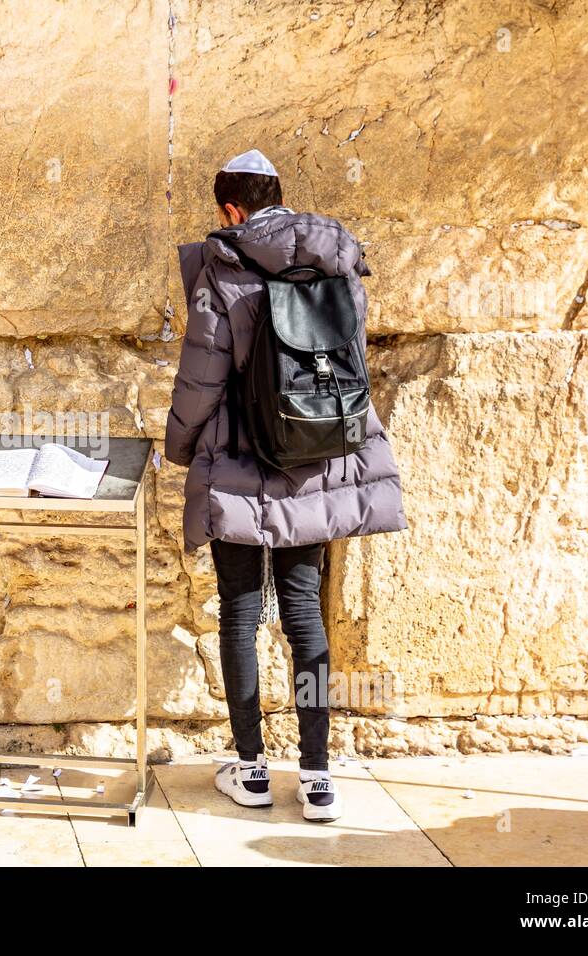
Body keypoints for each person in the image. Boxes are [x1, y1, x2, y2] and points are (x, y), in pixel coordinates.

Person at [164, 150, 407, 822]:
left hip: (238, 457)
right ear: (278, 195)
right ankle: (318, 776)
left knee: (241, 612)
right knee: (304, 612)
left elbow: (202, 377)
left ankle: (251, 771)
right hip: (315, 454)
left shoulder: (224, 265)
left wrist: (179, 447)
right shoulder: (336, 257)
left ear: (230, 211)